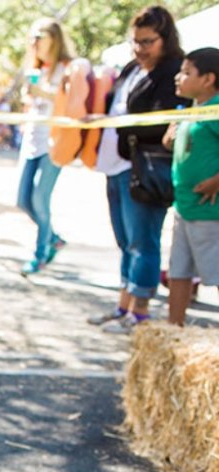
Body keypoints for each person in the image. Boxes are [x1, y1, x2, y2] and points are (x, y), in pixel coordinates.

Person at [87, 5, 189, 333]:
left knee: (143, 241)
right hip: (117, 164)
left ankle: (140, 313)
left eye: (147, 42)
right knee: (125, 240)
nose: (140, 48)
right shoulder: (132, 68)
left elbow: (160, 124)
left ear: (164, 39)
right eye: (136, 41)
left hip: (146, 169)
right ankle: (123, 306)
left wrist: (117, 124)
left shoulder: (173, 70)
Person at [15, 18, 90, 275]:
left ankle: (40, 254)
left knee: (40, 198)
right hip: (32, 138)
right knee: (23, 199)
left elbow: (72, 103)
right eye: (32, 37)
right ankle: (53, 238)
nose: (34, 42)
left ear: (53, 38)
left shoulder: (69, 68)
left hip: (55, 141)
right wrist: (31, 94)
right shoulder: (38, 68)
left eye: (40, 36)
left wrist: (44, 93)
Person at [165, 48, 219, 326]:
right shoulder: (192, 110)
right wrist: (171, 138)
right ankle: (174, 329)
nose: (179, 77)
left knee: (216, 273)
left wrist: (216, 180)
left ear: (209, 78)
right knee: (179, 271)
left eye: (187, 72)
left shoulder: (216, 109)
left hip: (209, 212)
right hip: (183, 206)